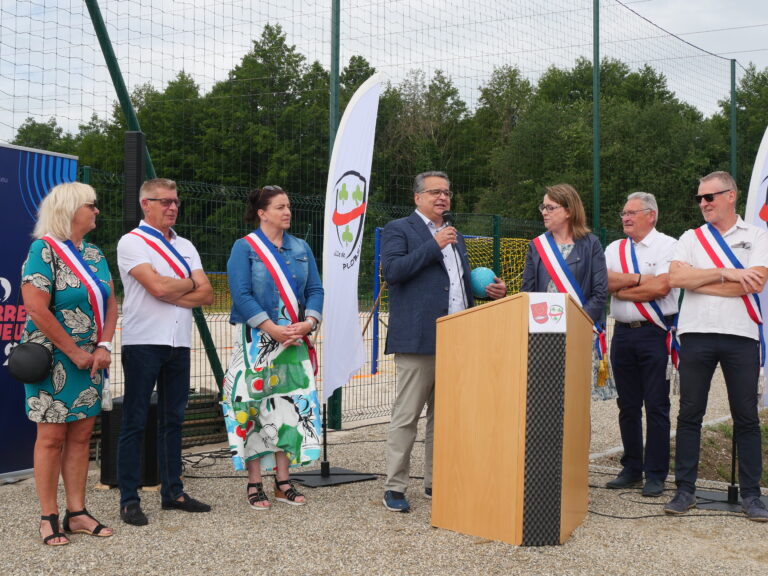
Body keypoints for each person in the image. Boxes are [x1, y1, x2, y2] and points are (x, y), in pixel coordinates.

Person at [381, 171, 507, 512]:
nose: (443, 198)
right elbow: (393, 271)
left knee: (446, 417)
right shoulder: (400, 229)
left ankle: (437, 481)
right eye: (435, 192)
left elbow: (456, 284)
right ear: (418, 197)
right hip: (418, 339)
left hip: (458, 340)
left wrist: (487, 292)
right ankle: (394, 486)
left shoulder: (456, 236)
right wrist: (433, 245)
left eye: (447, 193)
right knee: (407, 415)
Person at [665, 171, 768, 521]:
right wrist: (729, 273)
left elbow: (754, 283)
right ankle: (685, 490)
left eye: (710, 197)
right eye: (700, 198)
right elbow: (677, 279)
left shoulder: (757, 235)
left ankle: (752, 496)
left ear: (731, 196)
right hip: (696, 333)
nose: (704, 204)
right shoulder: (690, 237)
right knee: (690, 413)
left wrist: (704, 276)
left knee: (746, 417)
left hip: (742, 335)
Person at [20, 182, 118, 545]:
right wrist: (74, 352)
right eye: (91, 205)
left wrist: (104, 345)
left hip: (91, 359)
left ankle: (76, 512)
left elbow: (109, 303)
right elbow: (35, 308)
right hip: (52, 359)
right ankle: (48, 515)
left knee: (80, 436)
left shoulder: (93, 254)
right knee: (51, 438)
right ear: (70, 209)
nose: (96, 211)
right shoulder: (42, 251)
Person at [116, 178, 214, 526]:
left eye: (175, 201)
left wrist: (177, 287)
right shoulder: (132, 242)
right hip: (144, 341)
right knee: (135, 419)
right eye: (165, 202)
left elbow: (208, 295)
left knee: (174, 420)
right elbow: (155, 286)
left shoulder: (185, 245)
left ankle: (173, 491)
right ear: (146, 204)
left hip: (179, 341)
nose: (172, 207)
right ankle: (129, 498)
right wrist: (189, 283)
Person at [221, 185, 323, 509]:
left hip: (293, 338)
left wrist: (308, 323)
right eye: (280, 207)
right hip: (258, 340)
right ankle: (254, 484)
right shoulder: (245, 248)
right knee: (252, 406)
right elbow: (242, 293)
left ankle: (283, 481)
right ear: (262, 213)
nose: (287, 212)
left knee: (289, 406)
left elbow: (316, 289)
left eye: (288, 205)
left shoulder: (301, 247)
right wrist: (271, 328)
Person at [603, 192, 678, 497]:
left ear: (652, 215)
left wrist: (624, 288)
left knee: (657, 405)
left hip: (654, 333)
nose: (626, 217)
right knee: (628, 404)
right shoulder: (613, 248)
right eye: (624, 212)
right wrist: (639, 279)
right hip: (622, 333)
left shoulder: (668, 246)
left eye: (633, 212)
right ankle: (632, 467)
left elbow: (661, 286)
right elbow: (605, 283)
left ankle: (657, 473)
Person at [521, 184, 610, 398]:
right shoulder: (537, 246)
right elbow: (528, 292)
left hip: (580, 333)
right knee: (544, 401)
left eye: (550, 207)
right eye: (543, 206)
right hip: (544, 336)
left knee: (577, 402)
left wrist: (577, 325)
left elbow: (600, 293)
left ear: (569, 211)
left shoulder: (591, 244)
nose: (544, 212)